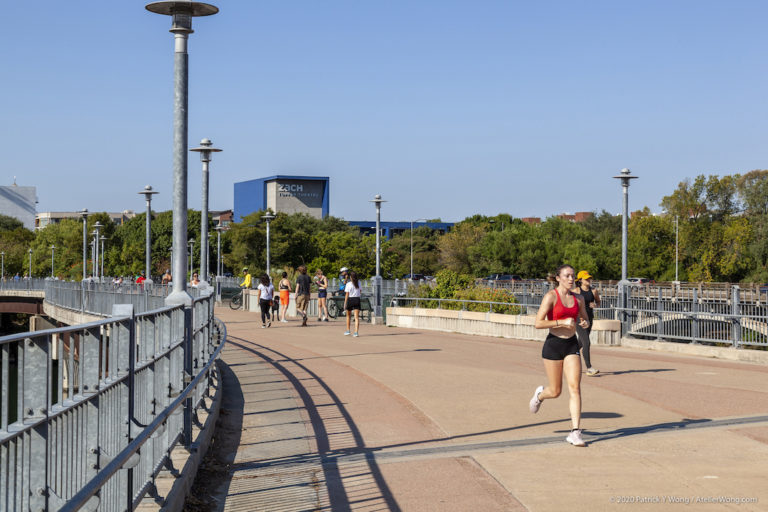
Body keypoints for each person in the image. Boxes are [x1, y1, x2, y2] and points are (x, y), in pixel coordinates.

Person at [530, 264, 591, 447]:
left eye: (573, 276)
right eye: (567, 276)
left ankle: (575, 432)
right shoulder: (550, 297)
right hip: (553, 345)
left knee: (575, 388)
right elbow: (538, 323)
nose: (571, 279)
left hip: (571, 344)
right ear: (558, 278)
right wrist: (560, 322)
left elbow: (585, 318)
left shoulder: (579, 299)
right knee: (555, 391)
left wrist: (584, 322)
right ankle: (540, 395)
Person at [576, 270, 601, 376]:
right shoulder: (576, 291)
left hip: (590, 319)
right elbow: (571, 304)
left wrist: (595, 305)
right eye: (586, 279)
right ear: (580, 280)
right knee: (586, 342)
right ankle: (589, 368)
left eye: (589, 278)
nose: (589, 280)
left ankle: (566, 357)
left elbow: (598, 302)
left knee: (580, 343)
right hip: (579, 319)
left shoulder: (594, 291)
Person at [344, 270, 362, 337]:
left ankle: (348, 330)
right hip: (357, 299)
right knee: (356, 317)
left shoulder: (348, 284)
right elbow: (360, 291)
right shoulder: (359, 283)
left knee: (348, 316)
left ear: (351, 277)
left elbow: (347, 294)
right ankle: (356, 332)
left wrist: (345, 303)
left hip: (350, 299)